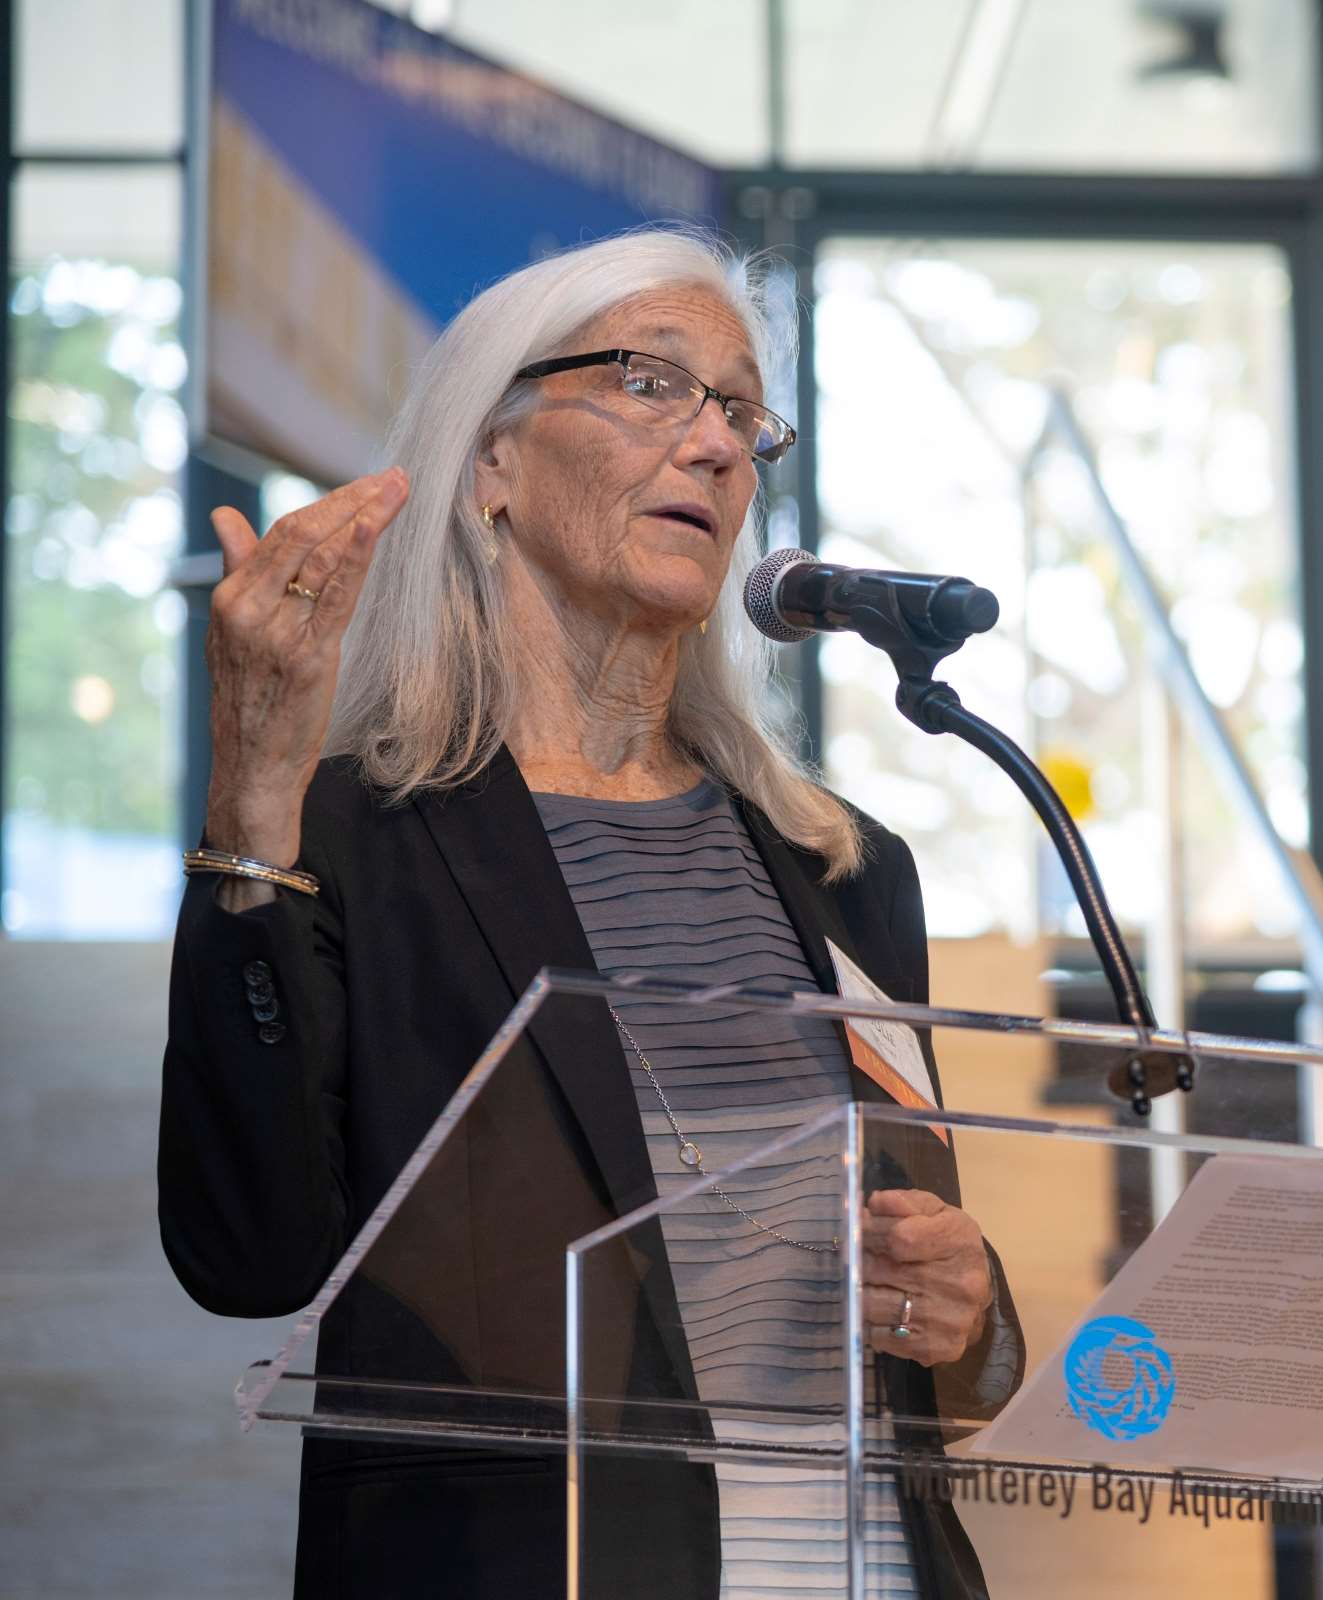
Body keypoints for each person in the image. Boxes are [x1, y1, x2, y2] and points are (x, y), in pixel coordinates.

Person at [158, 229, 1016, 1599]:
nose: (717, 447)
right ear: (489, 462)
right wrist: (253, 798)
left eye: (741, 411)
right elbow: (246, 1256)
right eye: (647, 384)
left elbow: (925, 1309)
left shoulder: (842, 868)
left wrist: (969, 1315)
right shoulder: (341, 840)